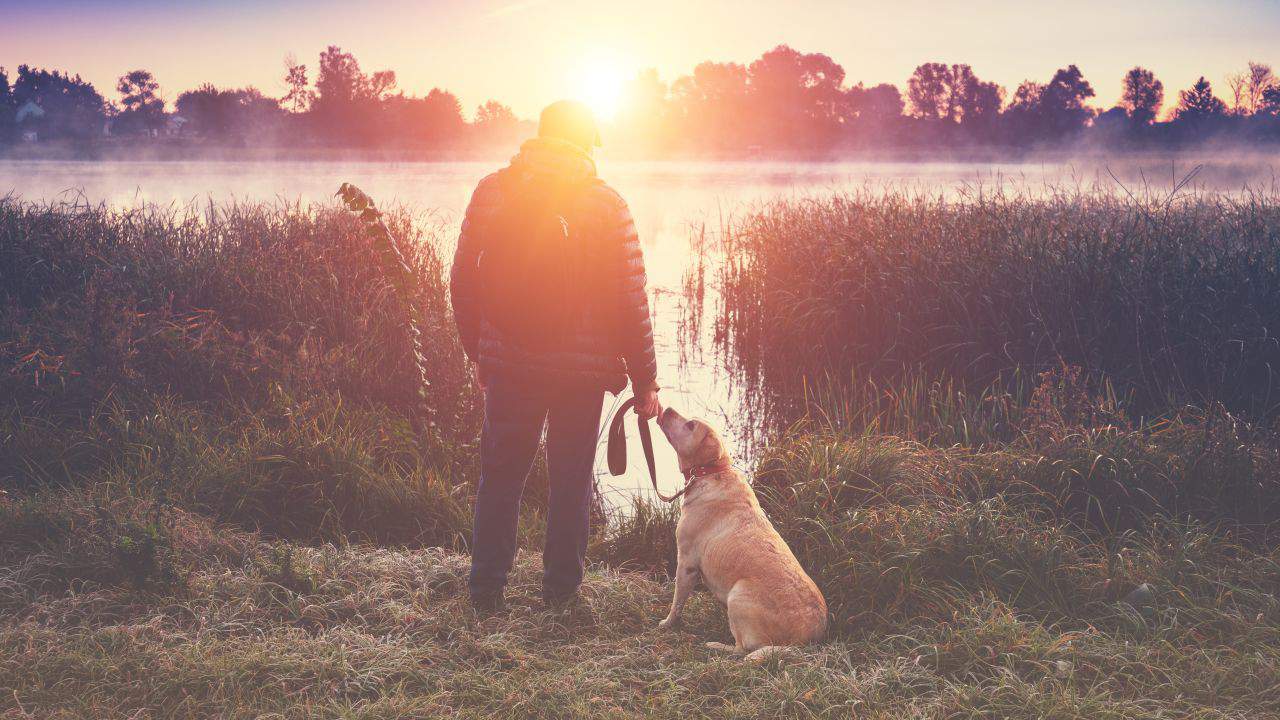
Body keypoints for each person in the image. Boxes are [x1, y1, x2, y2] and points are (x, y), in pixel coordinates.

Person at [450, 99, 661, 611]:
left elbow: (461, 277)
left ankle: (485, 590)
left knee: (500, 475)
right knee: (570, 480)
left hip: (509, 361)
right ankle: (561, 594)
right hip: (580, 373)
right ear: (584, 141)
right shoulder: (607, 204)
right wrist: (645, 380)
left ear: (539, 137)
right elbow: (630, 297)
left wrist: (477, 349)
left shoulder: (492, 191)